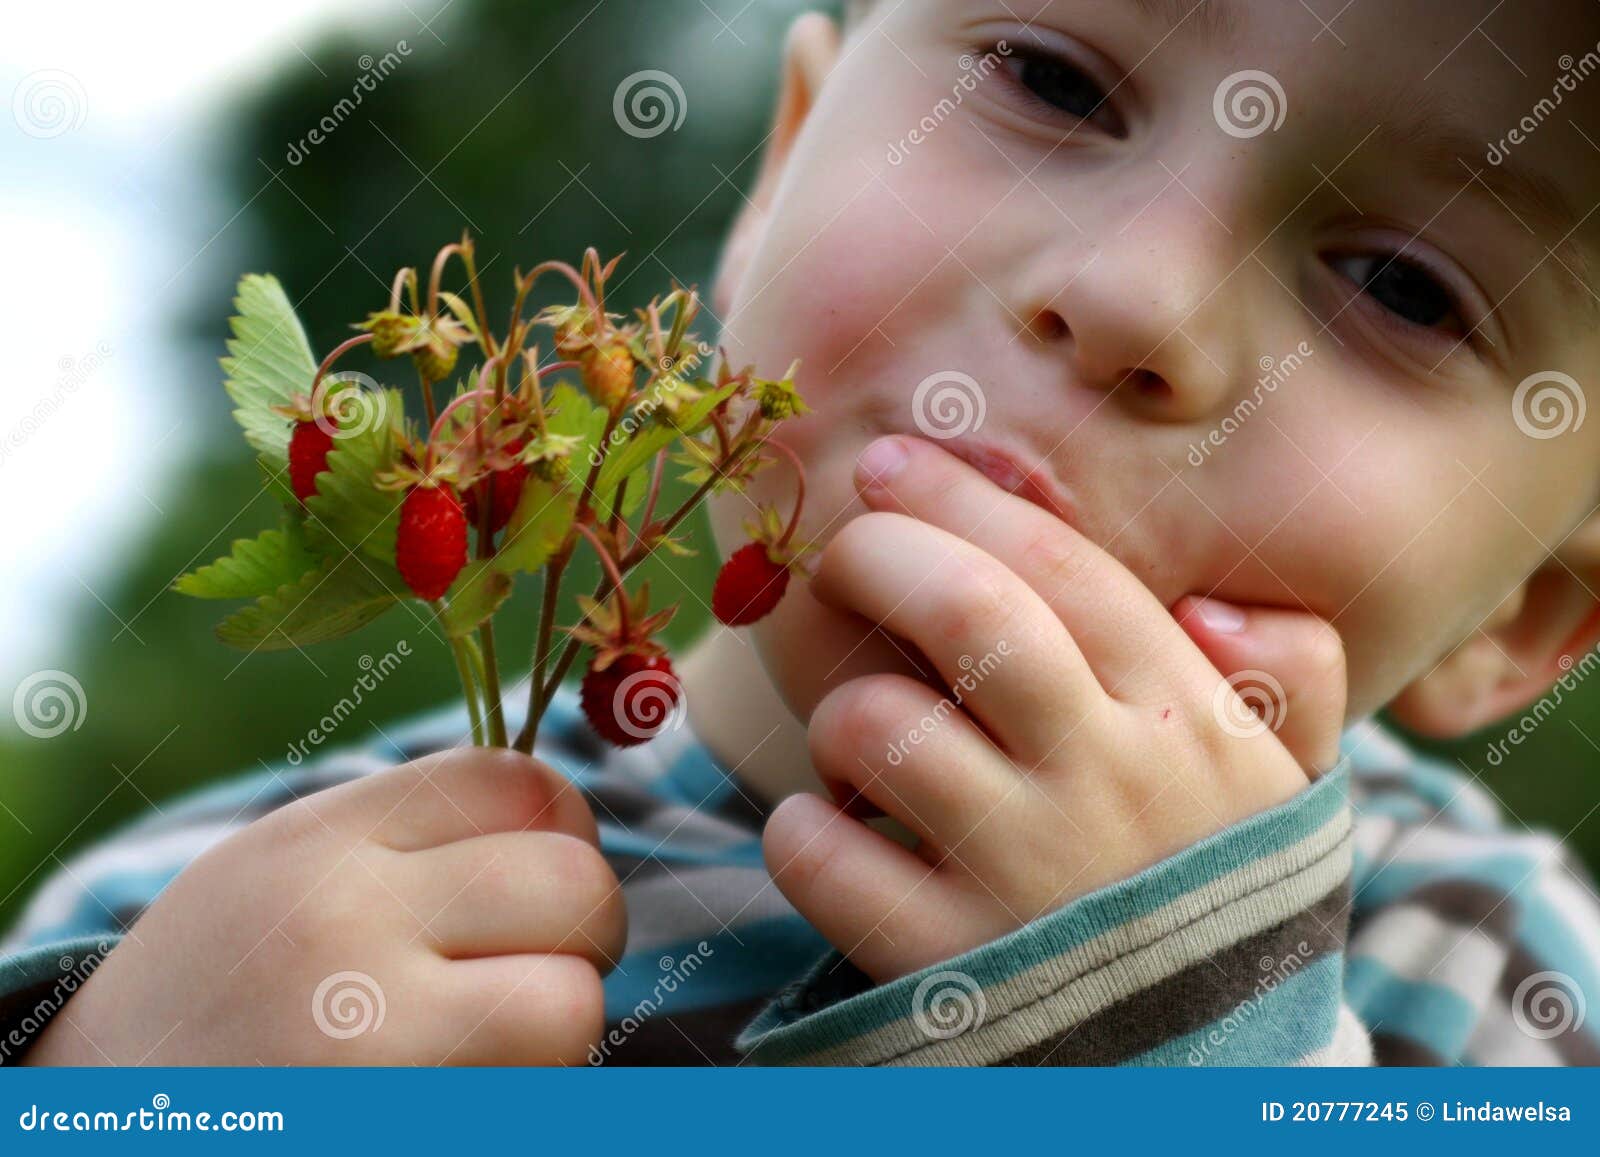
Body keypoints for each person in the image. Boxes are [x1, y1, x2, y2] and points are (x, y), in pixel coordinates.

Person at [5, 0, 1600, 1065]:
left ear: (1522, 621)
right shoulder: (208, 919)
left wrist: (1184, 1032)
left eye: (1405, 285)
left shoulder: (1481, 980)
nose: (1133, 295)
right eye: (1053, 78)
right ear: (776, 171)